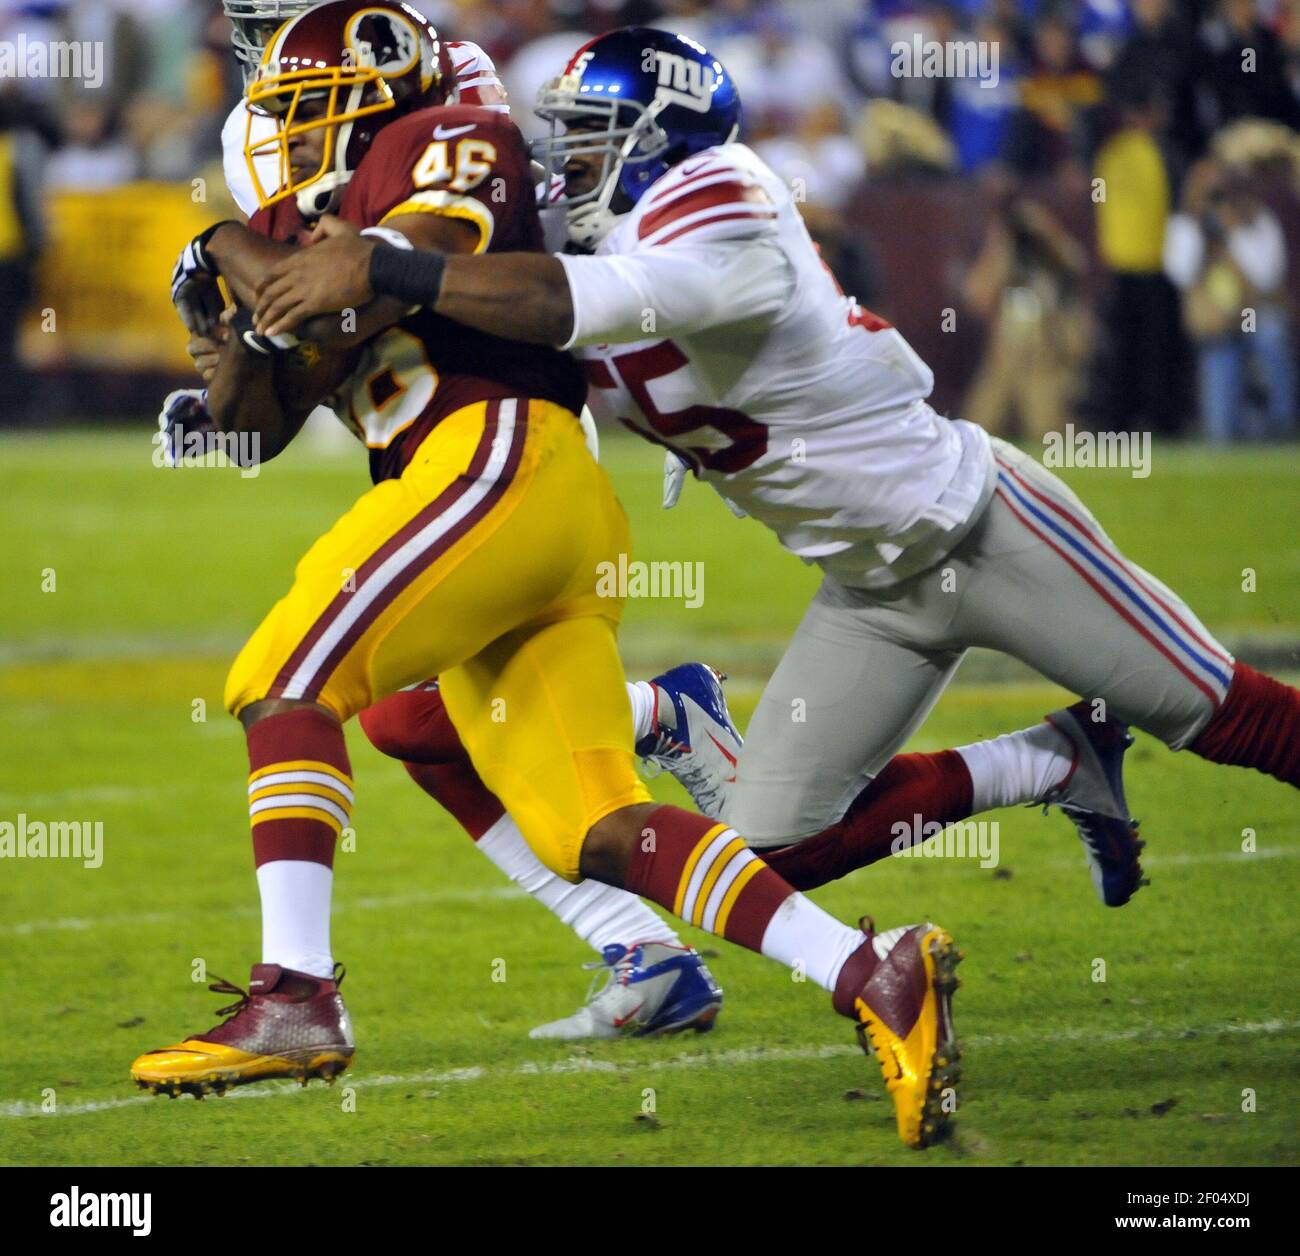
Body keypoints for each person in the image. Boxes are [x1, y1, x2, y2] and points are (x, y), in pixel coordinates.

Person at [133, 2, 968, 1152]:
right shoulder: (306, 211)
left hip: (492, 460)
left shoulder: (439, 136)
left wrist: (228, 248)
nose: (281, 131)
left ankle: (295, 992)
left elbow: (368, 279)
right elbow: (256, 420)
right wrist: (222, 350)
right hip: (504, 501)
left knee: (285, 676)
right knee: (599, 825)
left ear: (371, 90)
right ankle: (871, 969)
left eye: (302, 106)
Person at [252, 24, 1299, 936]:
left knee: (1230, 718)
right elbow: (504, 302)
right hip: (868, 590)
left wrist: (395, 266)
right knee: (764, 854)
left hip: (980, 532)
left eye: (586, 131)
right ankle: (1056, 758)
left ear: (657, 131)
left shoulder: (725, 197)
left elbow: (601, 302)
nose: (562, 158)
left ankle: (1105, 737)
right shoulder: (602, 227)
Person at [1164, 157, 1295, 442]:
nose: (1215, 198)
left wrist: (1234, 229)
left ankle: (1282, 426)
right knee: (1220, 363)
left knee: (1271, 337)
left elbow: (1267, 276)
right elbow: (1181, 273)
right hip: (1216, 322)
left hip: (1254, 315)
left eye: (1220, 190)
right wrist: (1200, 226)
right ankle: (1231, 432)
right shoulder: (1184, 225)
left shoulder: (1256, 219)